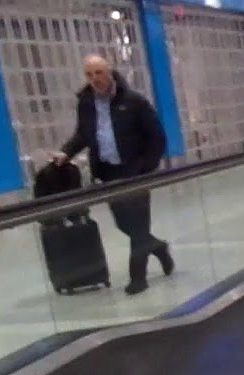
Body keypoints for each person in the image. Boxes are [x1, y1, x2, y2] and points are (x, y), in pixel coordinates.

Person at [55, 55, 172, 296]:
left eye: (99, 72)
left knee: (138, 225)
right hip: (108, 173)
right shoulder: (86, 103)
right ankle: (158, 247)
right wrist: (65, 152)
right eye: (89, 75)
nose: (95, 79)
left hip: (134, 172)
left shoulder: (133, 101)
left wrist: (146, 169)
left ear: (109, 72)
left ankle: (138, 278)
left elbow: (157, 137)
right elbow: (83, 135)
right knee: (123, 224)